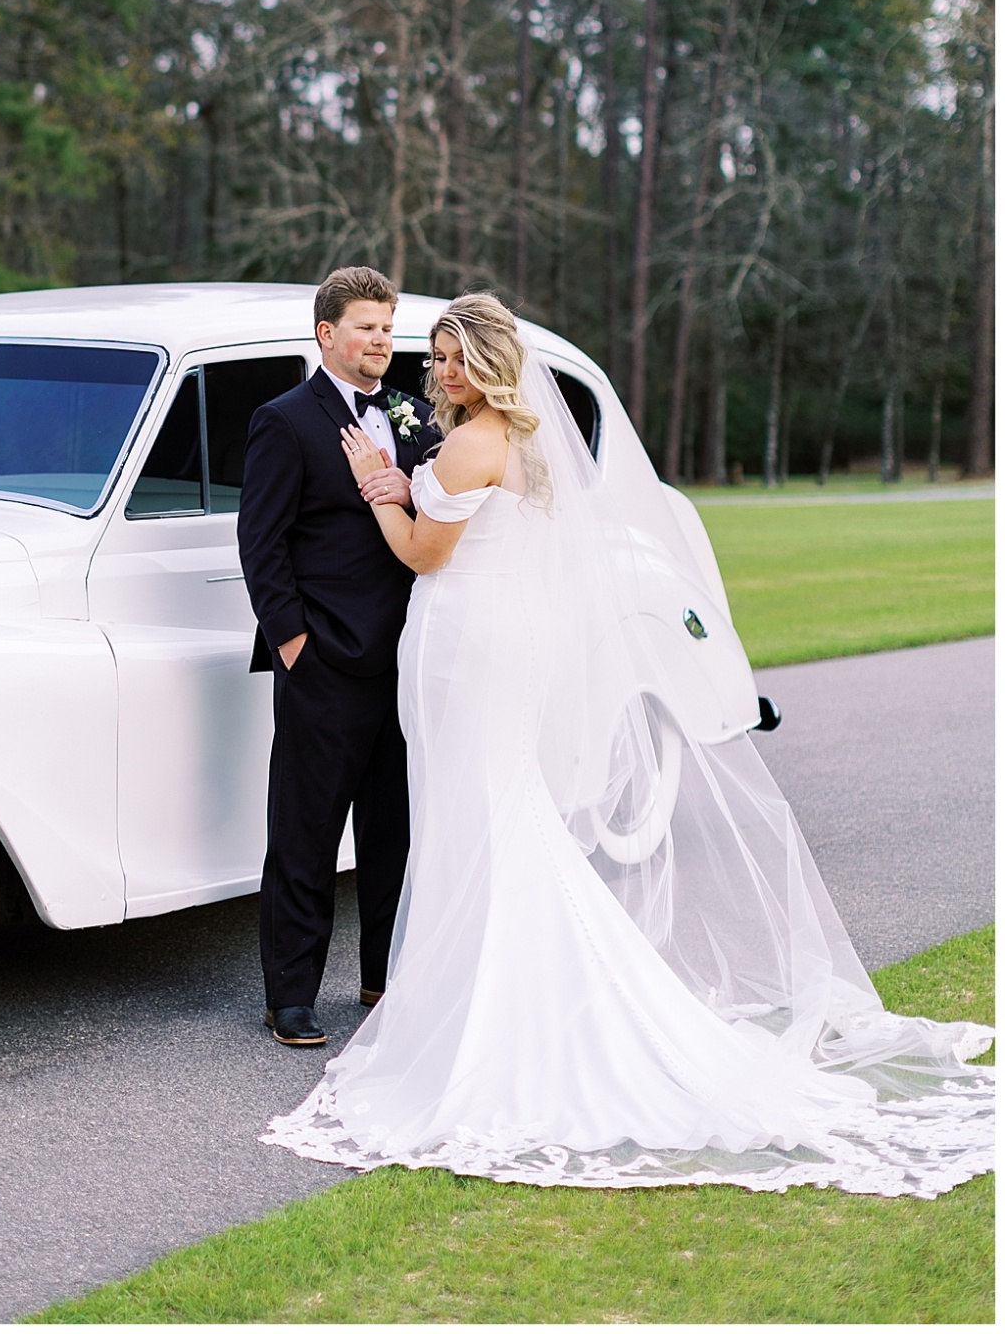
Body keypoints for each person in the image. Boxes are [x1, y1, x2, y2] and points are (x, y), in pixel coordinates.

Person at [263, 293, 994, 1196]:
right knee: (496, 813)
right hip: (510, 640)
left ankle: (486, 1012)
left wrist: (382, 487)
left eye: (454, 359)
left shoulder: (467, 442)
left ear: (490, 363)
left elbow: (423, 553)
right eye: (437, 358)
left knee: (475, 816)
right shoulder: (526, 441)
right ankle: (503, 992)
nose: (438, 372)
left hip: (470, 644)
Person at [238, 267, 441, 1049]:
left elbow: (447, 513)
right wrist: (294, 643)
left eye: (388, 328)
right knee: (306, 834)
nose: (381, 341)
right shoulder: (284, 421)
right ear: (327, 334)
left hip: (406, 662)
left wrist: (408, 488)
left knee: (394, 833)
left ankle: (382, 977)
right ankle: (288, 997)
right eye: (366, 327)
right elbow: (261, 543)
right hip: (322, 664)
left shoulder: (418, 417)